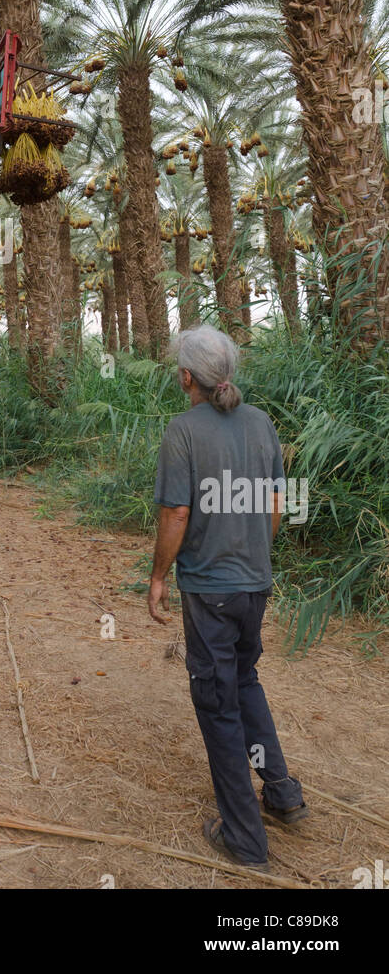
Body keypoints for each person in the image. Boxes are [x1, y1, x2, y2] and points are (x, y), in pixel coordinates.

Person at [149, 324, 307, 870]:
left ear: (187, 377)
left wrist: (157, 577)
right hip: (255, 585)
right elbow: (276, 510)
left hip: (211, 592)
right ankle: (282, 793)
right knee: (243, 681)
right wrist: (253, 558)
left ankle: (243, 839)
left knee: (218, 704)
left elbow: (175, 514)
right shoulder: (262, 424)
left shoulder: (183, 431)